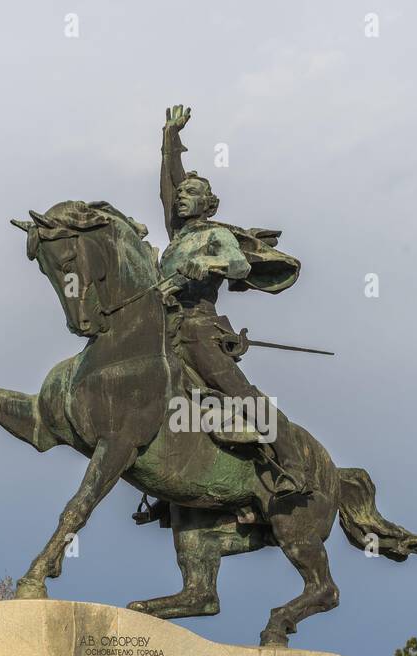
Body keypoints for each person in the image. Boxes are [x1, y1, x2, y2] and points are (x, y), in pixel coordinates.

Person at [156, 104, 308, 496]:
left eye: (192, 194)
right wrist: (169, 140)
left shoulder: (213, 235)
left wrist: (205, 263)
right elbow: (168, 187)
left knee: (240, 394)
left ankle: (292, 464)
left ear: (209, 205)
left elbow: (239, 266)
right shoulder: (177, 238)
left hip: (197, 329)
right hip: (164, 327)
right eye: (182, 194)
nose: (181, 198)